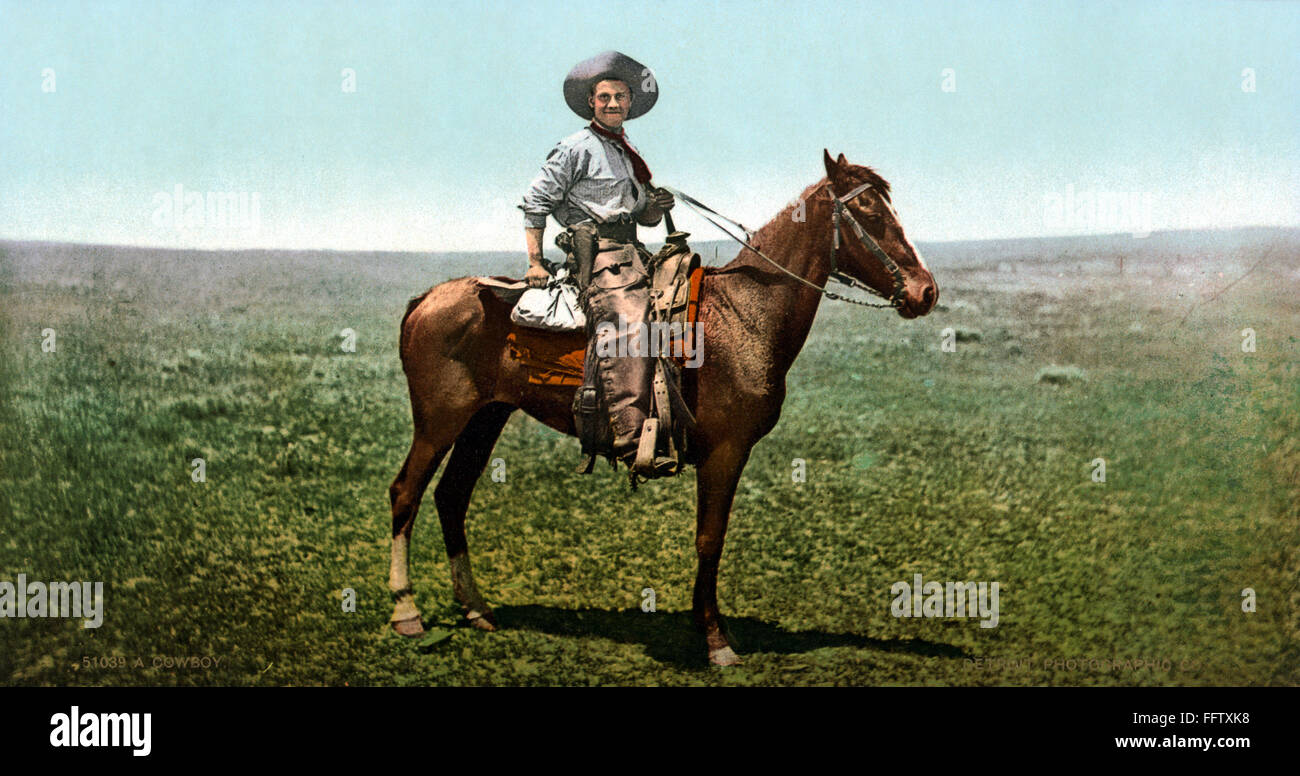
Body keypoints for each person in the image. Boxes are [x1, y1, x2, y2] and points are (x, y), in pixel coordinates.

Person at [518, 50, 675, 470]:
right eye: (604, 97)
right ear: (591, 101)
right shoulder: (574, 149)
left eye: (620, 97)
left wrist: (656, 207)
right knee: (629, 321)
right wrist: (535, 262)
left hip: (634, 252)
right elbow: (535, 203)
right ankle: (630, 436)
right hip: (600, 258)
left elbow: (640, 213)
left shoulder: (626, 149)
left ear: (630, 103)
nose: (612, 104)